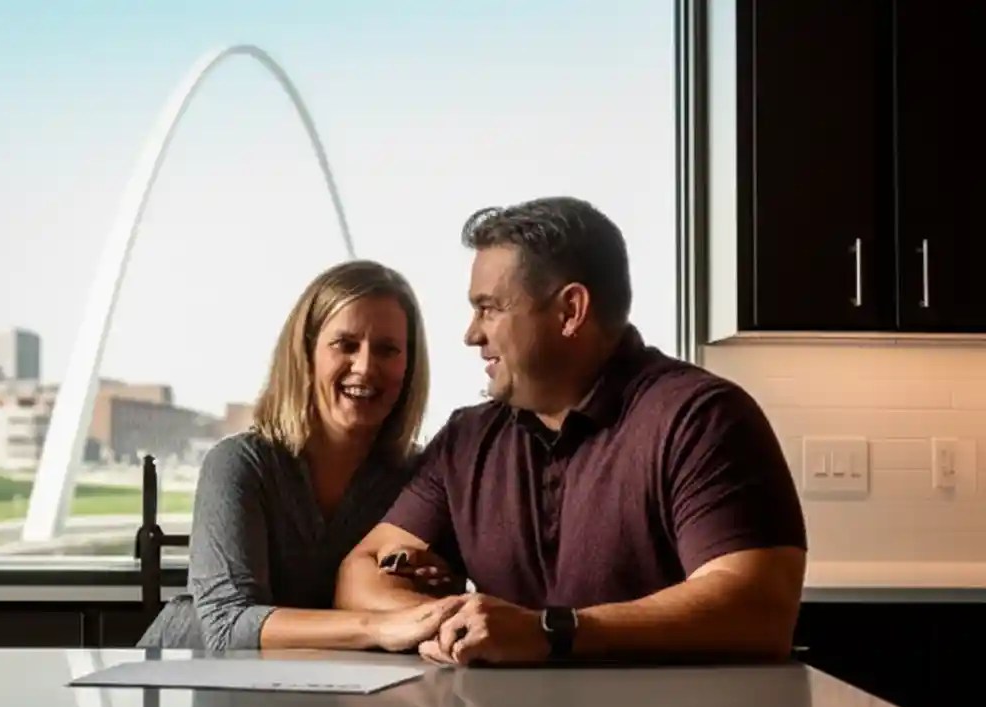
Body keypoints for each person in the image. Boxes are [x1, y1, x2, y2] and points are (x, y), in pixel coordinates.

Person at [335, 197, 808, 666]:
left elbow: (760, 610)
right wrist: (449, 620)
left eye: (489, 309)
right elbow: (359, 573)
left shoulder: (701, 419)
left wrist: (551, 631)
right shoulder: (467, 439)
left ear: (570, 311)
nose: (472, 334)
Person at [137, 259, 463, 651]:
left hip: (339, 681)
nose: (365, 367)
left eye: (387, 350)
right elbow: (227, 626)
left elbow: (431, 612)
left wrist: (429, 588)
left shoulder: (422, 479)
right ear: (306, 353)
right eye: (345, 345)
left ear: (409, 366)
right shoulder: (239, 464)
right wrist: (379, 626)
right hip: (190, 675)